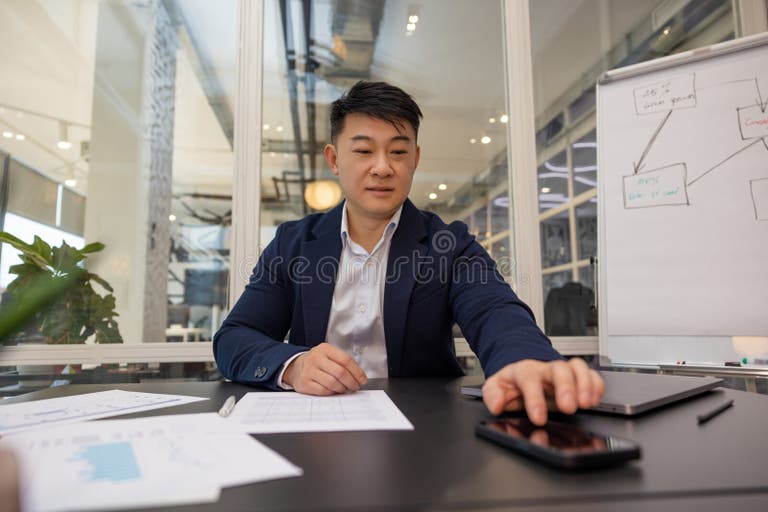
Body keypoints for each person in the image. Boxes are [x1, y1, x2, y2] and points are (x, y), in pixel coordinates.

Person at [214, 81, 604, 425]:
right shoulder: (293, 244)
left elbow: (495, 311)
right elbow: (235, 337)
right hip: (314, 429)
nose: (382, 168)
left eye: (398, 153)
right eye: (364, 151)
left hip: (426, 434)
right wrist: (294, 365)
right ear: (334, 159)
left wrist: (526, 361)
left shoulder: (448, 245)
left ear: (415, 159)